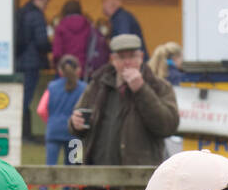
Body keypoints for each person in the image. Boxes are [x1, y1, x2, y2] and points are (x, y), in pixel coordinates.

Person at [69, 34, 179, 166]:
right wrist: (75, 123)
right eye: (121, 57)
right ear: (112, 60)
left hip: (137, 178)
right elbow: (77, 120)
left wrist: (142, 90)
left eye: (132, 56)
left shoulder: (158, 86)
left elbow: (168, 126)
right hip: (96, 177)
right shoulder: (98, 84)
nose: (127, 62)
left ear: (141, 57)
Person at [16, 0, 52, 141]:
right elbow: (42, 41)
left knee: (19, 98)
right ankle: (22, 134)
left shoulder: (20, 13)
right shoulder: (36, 16)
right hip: (31, 62)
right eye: (45, 3)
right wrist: (50, 48)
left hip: (18, 61)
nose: (45, 7)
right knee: (26, 99)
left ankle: (20, 132)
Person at [42, 55, 87, 165]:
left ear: (60, 71)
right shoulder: (85, 88)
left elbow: (41, 109)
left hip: (54, 130)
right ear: (78, 70)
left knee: (50, 168)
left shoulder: (51, 86)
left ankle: (48, 183)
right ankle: (68, 183)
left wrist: (51, 121)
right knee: (74, 170)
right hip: (75, 133)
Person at [51, 0, 95, 73]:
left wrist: (57, 66)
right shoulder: (88, 26)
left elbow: (57, 53)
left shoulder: (60, 27)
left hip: (65, 69)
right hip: (83, 69)